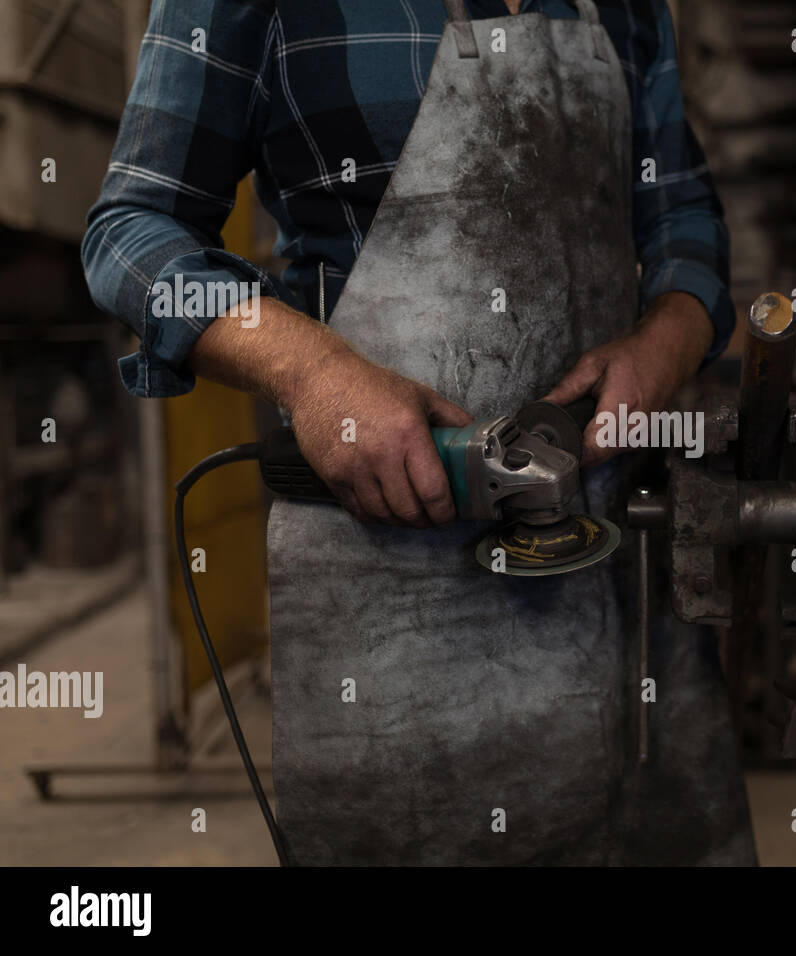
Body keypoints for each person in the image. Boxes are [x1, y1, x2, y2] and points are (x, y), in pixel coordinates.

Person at [83, 0, 755, 865]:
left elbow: (684, 215)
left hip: (622, 566)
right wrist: (312, 373)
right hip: (391, 597)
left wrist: (664, 343)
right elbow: (132, 233)